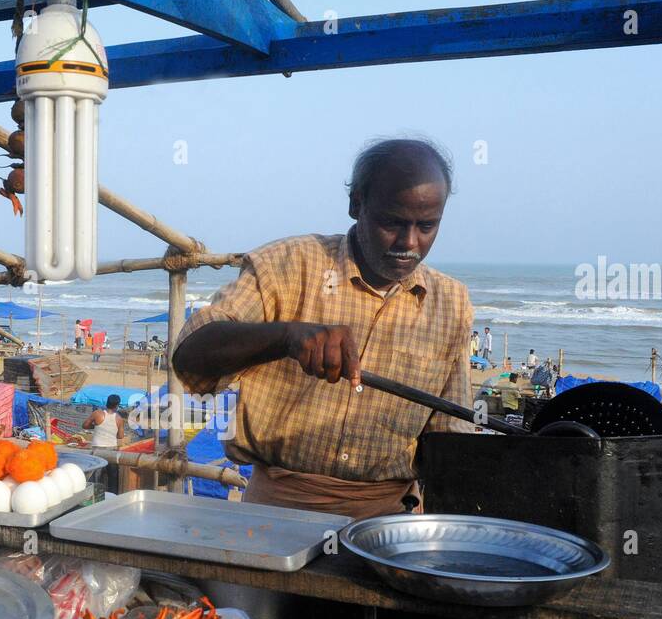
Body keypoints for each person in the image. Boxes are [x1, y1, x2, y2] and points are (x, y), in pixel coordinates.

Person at [172, 137, 473, 519]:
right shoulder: (286, 264)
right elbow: (190, 356)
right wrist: (286, 337)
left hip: (388, 521)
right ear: (356, 204)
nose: (409, 242)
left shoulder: (452, 303)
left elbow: (451, 439)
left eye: (427, 226)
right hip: (276, 514)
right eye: (392, 222)